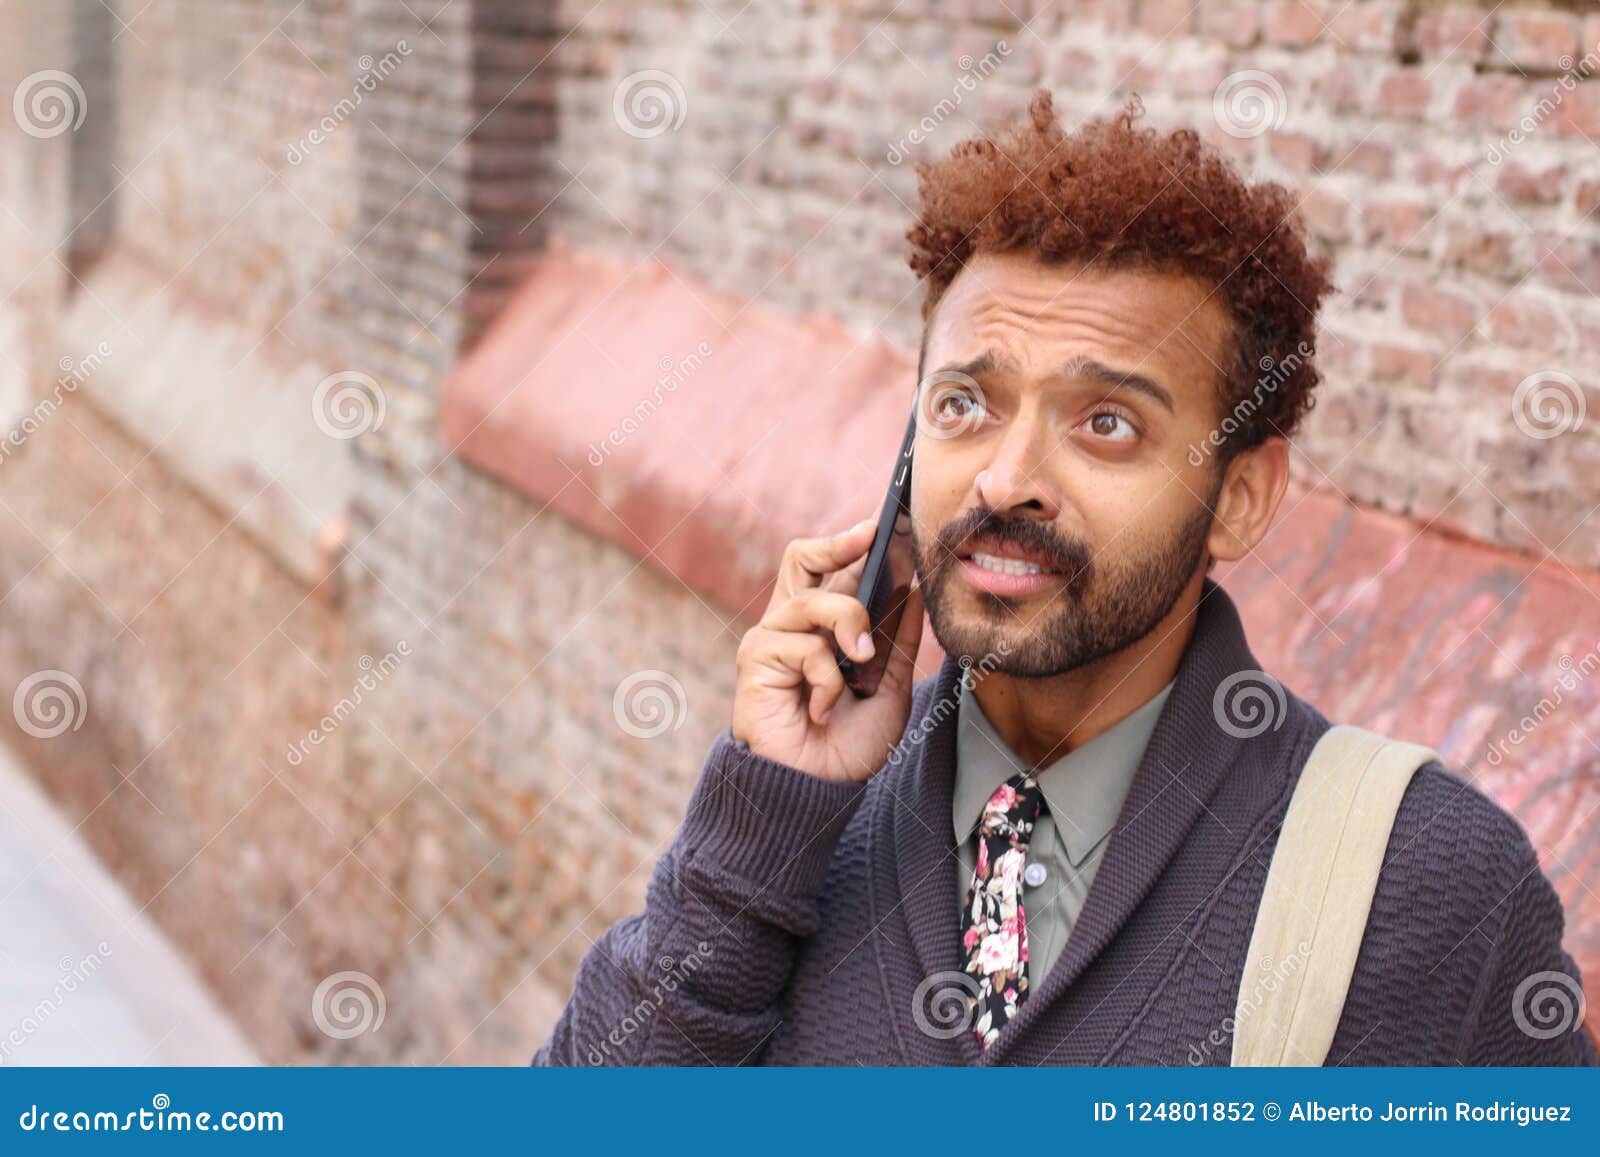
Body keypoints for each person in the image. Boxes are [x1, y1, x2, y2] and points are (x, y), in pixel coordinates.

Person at [533, 90, 1597, 1066]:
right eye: (964, 405)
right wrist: (759, 831)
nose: (1006, 479)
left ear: (1239, 495)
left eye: (1106, 423)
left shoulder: (1422, 879)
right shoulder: (803, 826)